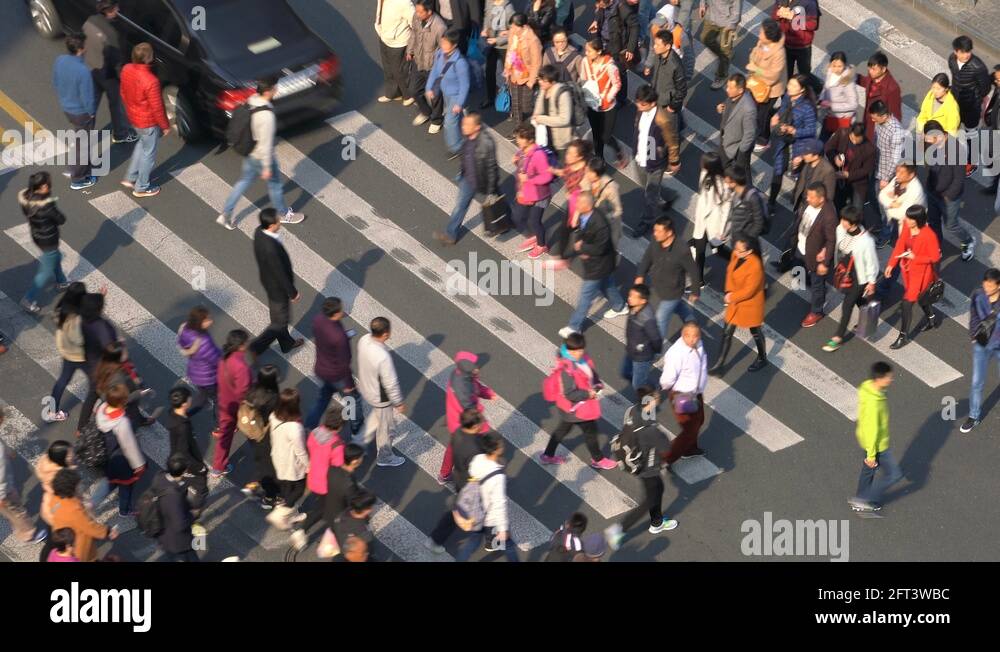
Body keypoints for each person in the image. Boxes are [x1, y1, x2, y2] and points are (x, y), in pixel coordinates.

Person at [217, 77, 305, 228]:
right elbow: (265, 144)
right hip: (261, 156)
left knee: (244, 181)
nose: (276, 90)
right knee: (275, 185)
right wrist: (266, 167)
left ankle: (226, 213)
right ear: (268, 91)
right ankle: (283, 214)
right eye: (275, 88)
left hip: (250, 152)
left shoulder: (252, 100)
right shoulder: (266, 116)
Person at [604, 385, 677, 550]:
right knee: (649, 499)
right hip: (647, 467)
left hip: (639, 461)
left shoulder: (633, 410)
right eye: (656, 396)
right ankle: (618, 530)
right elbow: (665, 447)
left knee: (658, 489)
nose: (659, 398)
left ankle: (657, 522)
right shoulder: (649, 429)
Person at [540, 333, 618, 469]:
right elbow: (568, 393)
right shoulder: (566, 369)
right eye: (576, 351)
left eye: (581, 349)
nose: (579, 353)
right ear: (569, 350)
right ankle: (598, 459)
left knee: (562, 431)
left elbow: (590, 371)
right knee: (591, 433)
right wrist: (588, 394)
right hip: (577, 408)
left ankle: (547, 455)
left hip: (570, 409)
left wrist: (596, 383)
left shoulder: (580, 358)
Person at [559, 192, 629, 337]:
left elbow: (600, 248)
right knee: (607, 285)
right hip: (599, 264)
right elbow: (582, 232)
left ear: (587, 205)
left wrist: (582, 247)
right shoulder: (585, 215)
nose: (576, 205)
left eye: (579, 203)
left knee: (586, 296)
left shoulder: (600, 224)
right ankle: (620, 306)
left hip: (598, 266)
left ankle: (574, 326)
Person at [821, 206, 879, 352]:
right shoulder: (841, 229)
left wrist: (872, 282)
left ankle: (838, 338)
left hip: (860, 277)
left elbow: (872, 263)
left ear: (852, 223)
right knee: (857, 299)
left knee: (847, 305)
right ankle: (869, 318)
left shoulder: (866, 241)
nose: (841, 222)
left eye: (844, 220)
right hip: (845, 271)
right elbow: (838, 244)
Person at [437, 113, 500, 246]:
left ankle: (505, 221)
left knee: (497, 204)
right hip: (467, 179)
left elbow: (491, 167)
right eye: (464, 124)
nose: (463, 127)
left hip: (482, 180)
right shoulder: (469, 137)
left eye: (467, 125)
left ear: (476, 127)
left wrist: (491, 189)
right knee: (460, 206)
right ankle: (451, 234)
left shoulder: (486, 142)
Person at [884, 206, 942, 350]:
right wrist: (891, 264)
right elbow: (900, 244)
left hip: (922, 274)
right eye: (907, 217)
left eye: (910, 218)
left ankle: (903, 336)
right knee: (923, 298)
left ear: (918, 220)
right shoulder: (906, 225)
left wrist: (915, 257)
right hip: (909, 270)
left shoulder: (929, 235)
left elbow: (935, 257)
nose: (907, 220)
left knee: (906, 303)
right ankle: (931, 319)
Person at [456, 432, 520, 561]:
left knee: (473, 541)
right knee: (508, 545)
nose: (503, 446)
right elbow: (499, 504)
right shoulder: (498, 476)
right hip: (490, 518)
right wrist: (503, 528)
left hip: (476, 512)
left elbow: (472, 475)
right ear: (495, 449)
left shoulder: (478, 459)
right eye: (501, 445)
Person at [305, 297, 364, 435]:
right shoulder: (339, 337)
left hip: (321, 370)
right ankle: (356, 427)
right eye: (341, 309)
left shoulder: (318, 320)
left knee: (322, 400)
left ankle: (309, 426)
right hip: (338, 377)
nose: (343, 311)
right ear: (335, 314)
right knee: (352, 401)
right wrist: (349, 384)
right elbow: (344, 363)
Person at [635, 215, 701, 339]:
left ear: (669, 233)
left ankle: (656, 346)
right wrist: (640, 275)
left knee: (661, 318)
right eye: (655, 230)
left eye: (659, 231)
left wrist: (695, 290)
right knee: (679, 308)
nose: (655, 234)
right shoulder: (656, 240)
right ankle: (692, 322)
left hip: (673, 291)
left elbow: (693, 270)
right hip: (659, 285)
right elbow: (647, 257)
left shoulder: (682, 250)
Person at [251, 208, 306, 357]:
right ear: (271, 225)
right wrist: (292, 293)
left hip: (268, 281)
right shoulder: (270, 249)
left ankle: (286, 343)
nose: (280, 222)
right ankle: (253, 350)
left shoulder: (259, 231)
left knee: (278, 317)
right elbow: (280, 273)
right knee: (280, 322)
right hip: (277, 288)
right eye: (278, 220)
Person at [119, 43, 170, 198]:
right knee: (149, 154)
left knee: (141, 145)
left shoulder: (126, 68)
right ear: (148, 58)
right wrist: (165, 126)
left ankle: (130, 177)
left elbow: (123, 92)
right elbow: (157, 107)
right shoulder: (151, 81)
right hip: (147, 122)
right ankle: (141, 187)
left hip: (133, 117)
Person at [849, 361, 901, 512]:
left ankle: (861, 498)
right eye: (888, 377)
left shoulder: (868, 388)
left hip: (865, 438)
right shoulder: (874, 403)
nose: (891, 379)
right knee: (894, 474)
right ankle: (863, 499)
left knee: (868, 471)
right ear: (879, 379)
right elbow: (873, 430)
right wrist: (871, 455)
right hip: (877, 445)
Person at [356, 317, 407, 467]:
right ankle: (385, 457)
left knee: (375, 420)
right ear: (385, 334)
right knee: (387, 428)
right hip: (381, 397)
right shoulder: (382, 357)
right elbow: (391, 383)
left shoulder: (364, 339)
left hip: (366, 387)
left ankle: (356, 444)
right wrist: (398, 402)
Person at [785, 183, 838, 328]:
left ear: (821, 199)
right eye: (808, 196)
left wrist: (825, 262)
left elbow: (831, 240)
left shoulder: (829, 216)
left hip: (815, 255)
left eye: (811, 197)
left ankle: (816, 311)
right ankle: (812, 286)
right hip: (801, 247)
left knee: (817, 283)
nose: (807, 199)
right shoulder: (809, 205)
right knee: (797, 270)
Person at [83, 0, 134, 144]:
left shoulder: (90, 20)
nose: (118, 10)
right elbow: (116, 61)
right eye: (116, 8)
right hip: (108, 75)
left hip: (91, 67)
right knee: (115, 104)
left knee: (92, 103)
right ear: (109, 11)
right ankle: (120, 134)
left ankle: (84, 133)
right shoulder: (111, 34)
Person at [440, 352, 495, 484]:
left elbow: (476, 386)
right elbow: (471, 409)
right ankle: (475, 476)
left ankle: (444, 474)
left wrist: (488, 393)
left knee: (453, 448)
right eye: (475, 367)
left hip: (456, 422)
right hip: (464, 423)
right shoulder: (463, 387)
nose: (478, 369)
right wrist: (483, 425)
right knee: (476, 448)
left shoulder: (461, 375)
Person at [298, 407, 353, 538]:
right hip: (326, 483)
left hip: (312, 476)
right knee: (323, 508)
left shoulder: (315, 432)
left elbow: (309, 446)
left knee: (321, 501)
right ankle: (302, 530)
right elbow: (338, 467)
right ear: (340, 426)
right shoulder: (337, 445)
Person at [923, 120, 974, 261]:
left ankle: (968, 241)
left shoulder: (956, 150)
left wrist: (949, 196)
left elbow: (959, 178)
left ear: (942, 135)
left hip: (949, 197)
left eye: (933, 138)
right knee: (933, 221)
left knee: (951, 225)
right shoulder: (929, 143)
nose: (931, 142)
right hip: (932, 191)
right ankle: (936, 246)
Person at [18, 172, 69, 315]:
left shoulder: (26, 197)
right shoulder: (46, 206)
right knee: (45, 273)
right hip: (48, 239)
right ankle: (28, 299)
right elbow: (61, 219)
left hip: (38, 236)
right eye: (48, 184)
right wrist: (51, 203)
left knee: (56, 257)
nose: (50, 186)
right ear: (43, 187)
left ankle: (62, 282)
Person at [52, 35, 98, 190]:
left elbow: (56, 82)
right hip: (81, 113)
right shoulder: (83, 70)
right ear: (81, 49)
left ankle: (76, 167)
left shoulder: (60, 60)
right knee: (83, 145)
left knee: (80, 140)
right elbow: (87, 97)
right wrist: (91, 112)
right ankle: (78, 179)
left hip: (67, 108)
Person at [94, 384, 147, 517]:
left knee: (110, 481)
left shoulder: (102, 408)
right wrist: (139, 465)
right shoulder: (122, 422)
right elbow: (129, 446)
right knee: (126, 486)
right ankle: (124, 510)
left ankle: (92, 503)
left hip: (108, 454)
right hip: (122, 460)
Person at [660, 321, 709, 462]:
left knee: (699, 421)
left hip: (696, 393)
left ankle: (690, 449)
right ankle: (666, 459)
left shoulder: (699, 345)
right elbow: (667, 379)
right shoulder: (677, 353)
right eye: (688, 335)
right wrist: (672, 391)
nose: (692, 339)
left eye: (695, 336)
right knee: (689, 430)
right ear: (683, 335)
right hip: (682, 396)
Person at [769, 75, 817, 212]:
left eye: (794, 86)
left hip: (798, 146)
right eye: (789, 84)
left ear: (802, 90)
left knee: (799, 176)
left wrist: (794, 131)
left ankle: (797, 202)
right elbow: (782, 110)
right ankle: (771, 202)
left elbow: (811, 130)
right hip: (783, 142)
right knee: (778, 171)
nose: (789, 87)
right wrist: (776, 116)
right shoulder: (787, 97)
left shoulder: (807, 108)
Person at [47, 468, 117, 562]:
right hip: (77, 544)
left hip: (63, 537)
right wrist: (108, 531)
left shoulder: (55, 499)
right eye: (78, 486)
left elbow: (54, 511)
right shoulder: (75, 510)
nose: (81, 487)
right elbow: (90, 527)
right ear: (72, 489)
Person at [267, 388, 310, 540]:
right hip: (291, 464)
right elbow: (301, 452)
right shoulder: (295, 428)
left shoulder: (273, 416)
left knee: (286, 488)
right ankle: (281, 512)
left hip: (278, 456)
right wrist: (309, 466)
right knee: (299, 489)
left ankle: (291, 513)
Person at [546, 140, 595, 268]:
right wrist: (553, 170)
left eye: (571, 154)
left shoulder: (585, 175)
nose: (567, 155)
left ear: (579, 157)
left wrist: (576, 215)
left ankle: (562, 259)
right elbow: (565, 172)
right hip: (572, 203)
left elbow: (585, 197)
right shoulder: (572, 165)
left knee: (566, 231)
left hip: (579, 207)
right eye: (568, 152)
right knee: (570, 230)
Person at [962, 268, 1000, 433]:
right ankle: (973, 416)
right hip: (982, 345)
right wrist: (973, 334)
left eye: (991, 285)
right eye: (985, 283)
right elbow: (974, 315)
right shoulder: (978, 294)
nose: (987, 287)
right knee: (977, 382)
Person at [0, 412, 47, 545]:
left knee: (12, 511)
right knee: (17, 512)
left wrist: (8, 451)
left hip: (4, 490)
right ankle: (28, 534)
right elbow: (1, 475)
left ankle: (17, 525)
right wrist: (2, 495)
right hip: (4, 491)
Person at [509, 125, 554, 258]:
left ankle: (541, 245)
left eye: (520, 138)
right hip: (526, 193)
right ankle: (534, 235)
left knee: (535, 221)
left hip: (540, 195)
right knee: (518, 217)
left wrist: (529, 179)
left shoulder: (539, 155)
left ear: (529, 140)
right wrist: (516, 162)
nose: (517, 141)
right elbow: (523, 169)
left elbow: (547, 176)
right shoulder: (522, 151)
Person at [949, 35, 991, 174]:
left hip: (971, 108)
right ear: (956, 51)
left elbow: (985, 88)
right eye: (963, 52)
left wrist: (975, 99)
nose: (966, 55)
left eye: (968, 51)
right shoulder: (952, 60)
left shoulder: (978, 67)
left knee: (971, 135)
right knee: (951, 129)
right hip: (956, 104)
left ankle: (972, 163)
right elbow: (954, 78)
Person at [76, 292, 117, 432]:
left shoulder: (83, 318)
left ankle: (81, 427)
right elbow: (109, 348)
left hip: (91, 361)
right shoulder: (100, 326)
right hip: (103, 367)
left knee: (94, 392)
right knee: (119, 391)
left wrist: (100, 297)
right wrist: (120, 350)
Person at [241, 365, 282, 508]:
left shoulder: (252, 390)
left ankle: (253, 485)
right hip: (264, 434)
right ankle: (269, 498)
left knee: (261, 461)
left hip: (252, 432)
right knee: (269, 467)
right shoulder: (272, 398)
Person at [45, 283, 87, 422]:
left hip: (66, 352)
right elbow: (79, 339)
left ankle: (52, 411)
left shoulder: (62, 308)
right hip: (80, 355)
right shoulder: (77, 317)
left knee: (62, 380)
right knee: (97, 380)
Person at [631, 85, 669, 237]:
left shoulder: (662, 118)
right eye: (637, 102)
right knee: (645, 186)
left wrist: (672, 160)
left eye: (642, 104)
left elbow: (672, 140)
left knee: (649, 196)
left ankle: (647, 221)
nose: (638, 106)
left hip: (655, 161)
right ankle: (657, 198)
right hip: (640, 157)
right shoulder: (640, 111)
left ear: (652, 103)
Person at [579, 38, 624, 164]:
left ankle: (617, 149)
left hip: (607, 107)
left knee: (606, 137)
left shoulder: (610, 66)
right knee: (596, 134)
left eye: (589, 51)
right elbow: (583, 79)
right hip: (592, 105)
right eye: (586, 50)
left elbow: (617, 84)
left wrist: (607, 98)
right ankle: (599, 159)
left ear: (599, 51)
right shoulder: (585, 62)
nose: (586, 53)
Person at [426, 30, 472, 153]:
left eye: (446, 43)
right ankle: (466, 132)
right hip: (446, 92)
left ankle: (457, 147)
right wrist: (429, 87)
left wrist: (459, 103)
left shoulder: (460, 63)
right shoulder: (440, 53)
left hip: (456, 96)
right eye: (442, 42)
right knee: (455, 118)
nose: (443, 45)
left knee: (449, 122)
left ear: (454, 45)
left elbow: (465, 85)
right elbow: (435, 71)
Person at [214, 329, 252, 478]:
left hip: (223, 399)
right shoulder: (241, 366)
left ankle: (219, 466)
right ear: (241, 345)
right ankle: (218, 467)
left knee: (226, 431)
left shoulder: (224, 357)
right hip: (234, 406)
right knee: (227, 435)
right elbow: (244, 391)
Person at [647, 29, 686, 176]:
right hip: (657, 99)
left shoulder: (675, 65)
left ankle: (674, 161)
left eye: (658, 44)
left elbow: (682, 90)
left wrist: (673, 106)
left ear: (668, 46)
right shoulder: (659, 56)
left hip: (668, 105)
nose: (654, 47)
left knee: (671, 135)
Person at [692, 151, 733, 286]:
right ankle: (699, 280)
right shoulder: (704, 174)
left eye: (704, 162)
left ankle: (738, 261)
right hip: (702, 222)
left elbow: (726, 210)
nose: (701, 164)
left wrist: (722, 230)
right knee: (701, 250)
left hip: (714, 223)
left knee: (717, 250)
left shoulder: (724, 185)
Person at [748, 18, 787, 153]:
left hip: (770, 90)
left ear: (769, 36)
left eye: (761, 32)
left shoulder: (779, 53)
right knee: (758, 110)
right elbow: (753, 55)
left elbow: (773, 76)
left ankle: (764, 139)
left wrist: (756, 69)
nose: (759, 34)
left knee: (762, 115)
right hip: (758, 84)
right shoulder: (762, 43)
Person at [152, 453, 200, 562]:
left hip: (163, 535)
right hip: (178, 542)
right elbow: (180, 525)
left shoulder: (160, 477)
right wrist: (193, 515)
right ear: (183, 471)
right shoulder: (174, 496)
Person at [407, 1, 449, 125]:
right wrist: (410, 50)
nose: (417, 14)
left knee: (435, 94)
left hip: (433, 66)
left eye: (420, 12)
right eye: (417, 11)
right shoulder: (416, 17)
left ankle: (437, 120)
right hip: (418, 61)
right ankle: (425, 112)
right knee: (414, 90)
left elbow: (445, 50)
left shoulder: (440, 27)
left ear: (429, 12)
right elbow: (414, 34)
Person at [176, 305, 220, 420]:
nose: (211, 321)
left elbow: (180, 343)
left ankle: (183, 414)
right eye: (207, 319)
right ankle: (219, 425)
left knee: (202, 397)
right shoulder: (204, 341)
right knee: (218, 399)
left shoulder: (185, 329)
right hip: (209, 377)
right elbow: (216, 360)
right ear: (200, 322)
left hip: (195, 373)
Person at [824, 123, 876, 218]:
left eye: (858, 140)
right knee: (836, 206)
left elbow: (866, 169)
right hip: (838, 178)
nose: (854, 142)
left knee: (856, 211)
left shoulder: (869, 149)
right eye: (852, 139)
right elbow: (829, 147)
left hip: (857, 183)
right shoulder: (842, 133)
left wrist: (848, 175)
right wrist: (835, 158)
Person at [771, 0, 819, 89]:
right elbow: (773, 15)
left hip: (803, 46)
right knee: (785, 73)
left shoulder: (810, 2)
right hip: (786, 43)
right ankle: (786, 95)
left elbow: (813, 25)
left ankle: (815, 88)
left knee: (804, 75)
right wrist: (779, 13)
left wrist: (793, 17)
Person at [503, 14, 542, 126]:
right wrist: (507, 68)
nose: (512, 29)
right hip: (514, 73)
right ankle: (518, 127)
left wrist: (532, 80)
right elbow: (510, 52)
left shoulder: (533, 40)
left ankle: (532, 125)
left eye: (514, 27)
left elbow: (536, 62)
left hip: (527, 76)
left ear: (523, 26)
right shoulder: (513, 35)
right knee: (516, 104)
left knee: (526, 106)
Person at [716, 73, 756, 182]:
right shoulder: (732, 97)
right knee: (721, 165)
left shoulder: (749, 108)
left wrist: (742, 151)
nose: (727, 90)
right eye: (727, 86)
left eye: (730, 88)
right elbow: (729, 107)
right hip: (726, 139)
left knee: (742, 173)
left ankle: (747, 189)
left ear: (740, 90)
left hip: (737, 147)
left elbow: (750, 133)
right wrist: (721, 108)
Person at [622, 284, 663, 391]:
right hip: (631, 349)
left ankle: (648, 396)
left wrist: (656, 352)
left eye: (634, 296)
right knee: (626, 372)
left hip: (642, 355)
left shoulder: (647, 318)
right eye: (630, 295)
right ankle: (650, 385)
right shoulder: (633, 307)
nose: (629, 298)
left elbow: (656, 338)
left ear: (643, 301)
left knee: (637, 385)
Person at [878, 162, 925, 251]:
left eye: (902, 172)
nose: (897, 175)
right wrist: (892, 203)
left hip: (913, 226)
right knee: (902, 246)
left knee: (911, 248)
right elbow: (881, 195)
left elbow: (901, 214)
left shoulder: (916, 190)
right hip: (903, 223)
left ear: (911, 175)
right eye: (897, 171)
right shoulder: (897, 180)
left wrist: (890, 203)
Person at [375, 0, 413, 104]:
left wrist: (411, 46)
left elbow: (415, 24)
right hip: (384, 36)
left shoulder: (405, 3)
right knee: (388, 69)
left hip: (399, 42)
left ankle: (408, 95)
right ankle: (393, 93)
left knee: (399, 71)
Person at [858, 51, 902, 142]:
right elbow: (866, 82)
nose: (870, 71)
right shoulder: (872, 76)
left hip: (879, 129)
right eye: (869, 68)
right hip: (867, 121)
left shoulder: (892, 88)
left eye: (874, 69)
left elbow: (895, 114)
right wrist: (854, 77)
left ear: (883, 69)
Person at [321, 442, 365, 533]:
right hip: (340, 516)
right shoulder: (349, 483)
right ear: (354, 461)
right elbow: (353, 503)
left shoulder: (333, 469)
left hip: (328, 509)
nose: (362, 459)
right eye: (361, 457)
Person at [531, 65, 574, 157]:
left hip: (561, 140)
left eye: (544, 81)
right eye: (539, 79)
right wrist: (535, 117)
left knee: (561, 163)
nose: (540, 82)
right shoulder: (544, 89)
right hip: (547, 137)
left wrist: (541, 119)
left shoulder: (563, 94)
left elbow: (564, 119)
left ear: (553, 82)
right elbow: (539, 107)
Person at [165, 387, 208, 478]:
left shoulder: (173, 412)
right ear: (184, 404)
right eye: (189, 398)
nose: (191, 399)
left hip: (175, 452)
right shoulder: (183, 427)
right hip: (184, 461)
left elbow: (187, 414)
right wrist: (200, 466)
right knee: (200, 479)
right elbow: (184, 451)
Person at [35, 440, 75, 537]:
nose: (73, 456)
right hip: (59, 510)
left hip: (49, 508)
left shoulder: (46, 465)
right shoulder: (62, 477)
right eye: (69, 456)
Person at [479, 0, 515, 108]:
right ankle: (490, 98)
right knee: (489, 71)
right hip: (490, 42)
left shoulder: (509, 8)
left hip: (504, 46)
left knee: (508, 73)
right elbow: (486, 16)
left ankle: (511, 99)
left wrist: (497, 40)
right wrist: (485, 29)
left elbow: (513, 31)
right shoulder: (489, 2)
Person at [723, 164, 767, 252]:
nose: (725, 182)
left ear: (733, 182)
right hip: (736, 239)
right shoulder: (736, 193)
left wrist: (745, 243)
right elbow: (732, 215)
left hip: (747, 244)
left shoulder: (752, 198)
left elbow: (759, 223)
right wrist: (725, 232)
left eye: (727, 180)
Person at [700, 0, 741, 89]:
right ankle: (724, 55)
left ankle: (722, 76)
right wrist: (702, 4)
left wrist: (732, 25)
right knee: (705, 39)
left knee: (725, 52)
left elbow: (737, 9)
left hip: (727, 23)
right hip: (711, 17)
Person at [819, 52, 860, 141]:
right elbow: (826, 88)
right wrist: (821, 100)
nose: (836, 69)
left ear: (844, 65)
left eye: (839, 66)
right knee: (821, 142)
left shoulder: (848, 81)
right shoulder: (830, 72)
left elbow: (853, 104)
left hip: (842, 119)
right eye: (834, 66)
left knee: (840, 145)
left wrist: (831, 105)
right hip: (829, 116)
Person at [790, 138, 837, 216]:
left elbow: (829, 196)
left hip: (812, 207)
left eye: (806, 153)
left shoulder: (828, 170)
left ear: (816, 155)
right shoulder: (806, 161)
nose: (803, 155)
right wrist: (795, 165)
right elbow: (796, 173)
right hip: (801, 202)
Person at [331, 489, 378, 558]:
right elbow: (366, 547)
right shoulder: (362, 531)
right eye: (371, 506)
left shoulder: (343, 514)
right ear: (366, 510)